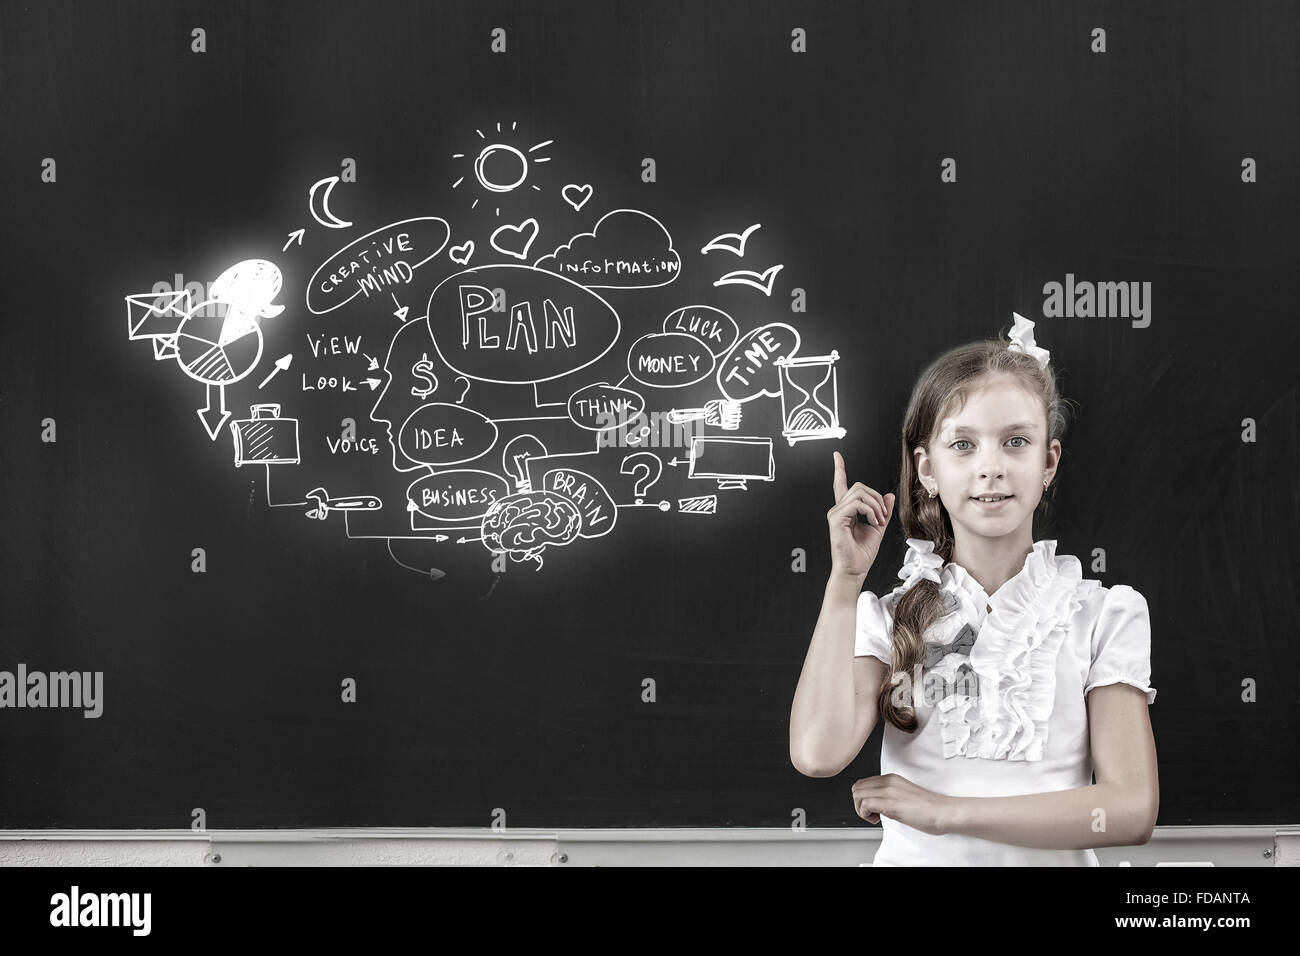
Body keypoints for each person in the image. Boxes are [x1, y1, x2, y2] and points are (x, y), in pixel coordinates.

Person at [788, 314, 1158, 865]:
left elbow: (1130, 811)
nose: (991, 468)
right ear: (928, 470)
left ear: (1048, 461)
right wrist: (845, 583)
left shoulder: (1104, 614)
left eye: (1015, 442)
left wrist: (948, 812)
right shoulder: (887, 617)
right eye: (962, 445)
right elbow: (818, 754)